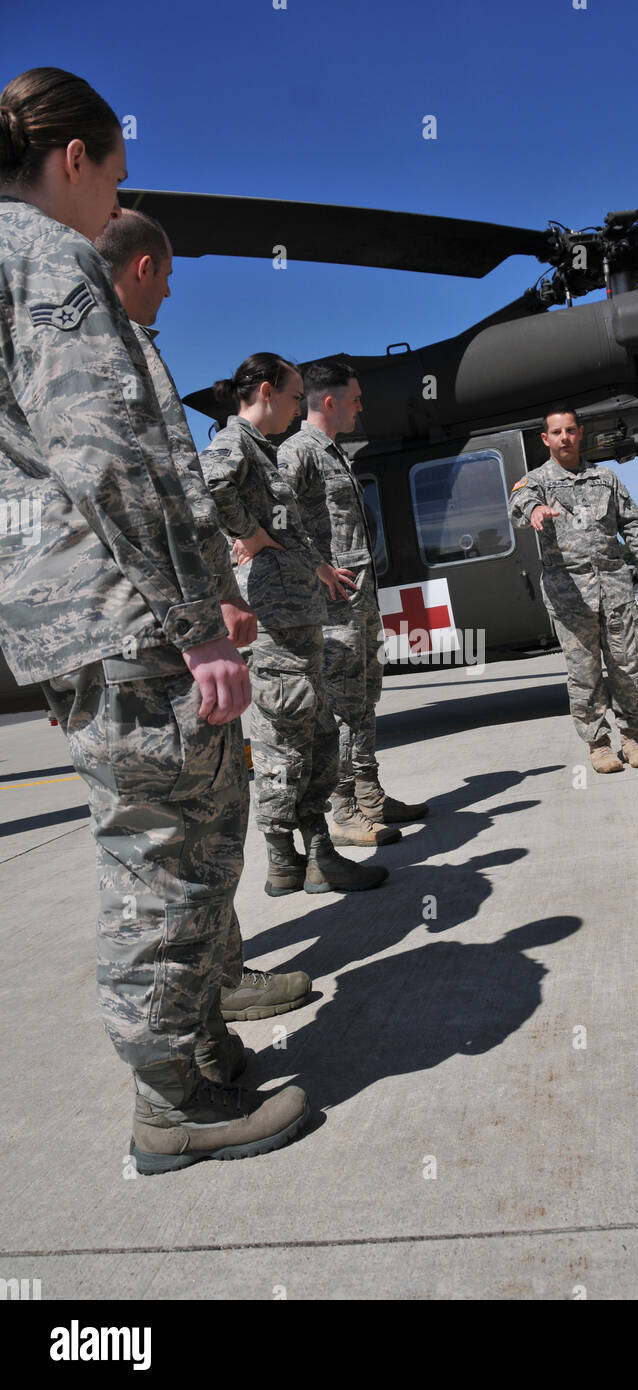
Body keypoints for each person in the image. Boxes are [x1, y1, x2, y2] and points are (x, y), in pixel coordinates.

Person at [0, 66, 307, 1174]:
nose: (113, 202)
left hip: (73, 614)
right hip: (122, 617)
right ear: (73, 159)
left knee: (172, 844)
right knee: (162, 864)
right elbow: (102, 458)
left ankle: (202, 1053)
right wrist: (196, 623)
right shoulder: (45, 257)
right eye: (113, 176)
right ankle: (173, 1102)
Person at [94, 207, 315, 1023]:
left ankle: (216, 990)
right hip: (146, 635)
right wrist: (206, 617)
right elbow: (144, 495)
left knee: (197, 837)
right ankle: (178, 1064)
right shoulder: (98, 344)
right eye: (170, 275)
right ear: (145, 267)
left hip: (142, 628)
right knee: (177, 846)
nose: (172, 292)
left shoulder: (104, 344)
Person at [201, 355, 389, 891]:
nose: (295, 409)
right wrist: (249, 533)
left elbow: (286, 525)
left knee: (318, 734)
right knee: (283, 739)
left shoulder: (264, 452)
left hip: (304, 616)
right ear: (266, 391)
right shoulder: (234, 445)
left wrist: (317, 565)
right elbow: (209, 489)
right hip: (277, 623)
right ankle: (285, 857)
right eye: (291, 396)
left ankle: (319, 853)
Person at [277, 360, 428, 839]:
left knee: (364, 700)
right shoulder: (299, 452)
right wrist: (315, 567)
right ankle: (341, 810)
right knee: (341, 706)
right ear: (329, 402)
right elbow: (274, 519)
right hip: (331, 608)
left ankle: (368, 793)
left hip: (358, 602)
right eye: (355, 398)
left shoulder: (335, 454)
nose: (361, 406)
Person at [508, 406, 638, 773]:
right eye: (556, 433)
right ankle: (599, 744)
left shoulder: (606, 478)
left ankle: (632, 737)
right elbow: (518, 504)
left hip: (614, 587)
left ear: (580, 433)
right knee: (585, 672)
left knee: (629, 664)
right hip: (569, 594)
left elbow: (633, 522)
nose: (564, 438)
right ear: (546, 439)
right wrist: (535, 511)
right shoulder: (536, 482)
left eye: (570, 431)